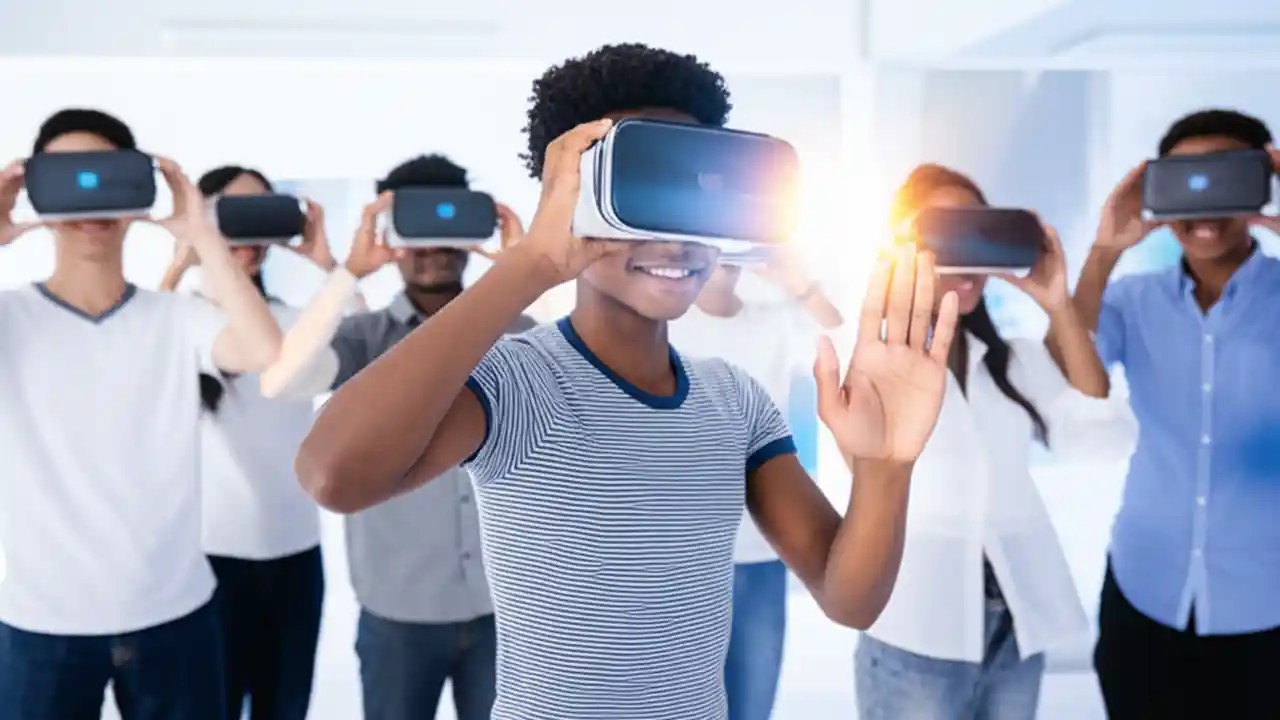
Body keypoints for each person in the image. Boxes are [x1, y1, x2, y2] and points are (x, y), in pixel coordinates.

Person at [295, 43, 961, 719]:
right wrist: (529, 263)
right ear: (570, 201)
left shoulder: (734, 401)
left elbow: (850, 597)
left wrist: (885, 470)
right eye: (644, 196)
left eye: (696, 199)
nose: (673, 240)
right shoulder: (514, 383)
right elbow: (333, 475)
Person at [0, 109, 283, 719]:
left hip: (174, 615)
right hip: (39, 623)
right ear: (34, 192)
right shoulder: (10, 320)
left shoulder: (174, 318)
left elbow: (265, 353)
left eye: (105, 176)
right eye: (68, 178)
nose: (88, 197)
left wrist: (203, 236)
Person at [852, 164, 1137, 719]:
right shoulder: (868, 360)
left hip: (1015, 624)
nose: (965, 251)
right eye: (944, 232)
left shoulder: (1016, 361)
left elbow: (1101, 441)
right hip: (915, 628)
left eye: (977, 231)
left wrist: (1056, 301)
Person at [263, 153, 532, 720]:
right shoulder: (364, 338)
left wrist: (524, 266)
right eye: (415, 228)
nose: (432, 245)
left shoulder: (525, 336)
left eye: (447, 224)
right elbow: (281, 379)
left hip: (507, 610)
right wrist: (348, 272)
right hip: (397, 611)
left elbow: (598, 365)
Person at [1075, 109, 1280, 718]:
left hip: (1267, 600)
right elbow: (1068, 369)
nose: (1204, 204)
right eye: (1186, 182)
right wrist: (1104, 249)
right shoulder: (1132, 302)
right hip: (1146, 587)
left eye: (1224, 180)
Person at [159, 164, 364, 720]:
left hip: (296, 555)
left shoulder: (292, 320)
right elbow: (142, 355)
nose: (247, 235)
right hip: (209, 559)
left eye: (260, 217)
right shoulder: (182, 317)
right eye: (232, 215)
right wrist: (188, 256)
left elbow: (373, 357)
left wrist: (327, 263)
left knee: (285, 707)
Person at [668, 249, 842, 720]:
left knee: (751, 707)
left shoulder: (774, 322)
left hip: (763, 552)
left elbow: (846, 347)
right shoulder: (658, 326)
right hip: (678, 559)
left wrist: (796, 278)